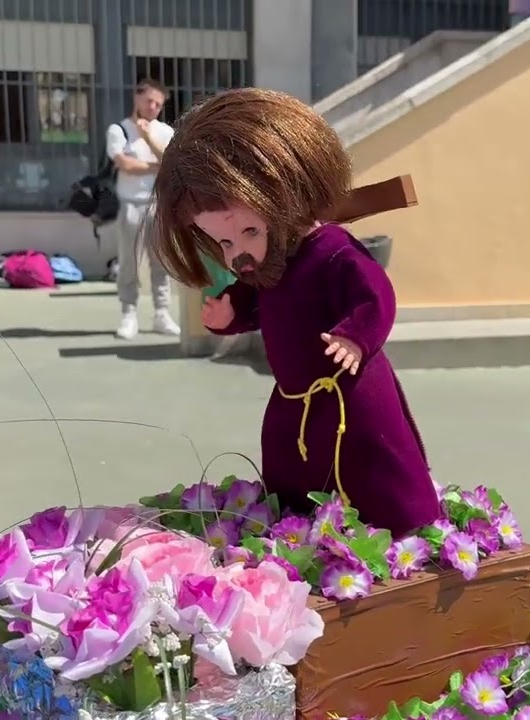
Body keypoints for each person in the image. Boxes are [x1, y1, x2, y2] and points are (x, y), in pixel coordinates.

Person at [148, 88, 442, 535]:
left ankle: (402, 533)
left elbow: (374, 294)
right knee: (290, 465)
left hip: (349, 394)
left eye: (249, 230)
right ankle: (298, 529)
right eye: (225, 242)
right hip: (292, 396)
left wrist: (355, 337)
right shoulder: (270, 263)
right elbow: (259, 300)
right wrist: (231, 316)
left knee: (371, 466)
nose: (239, 252)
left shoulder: (333, 252)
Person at [106, 78, 180, 340]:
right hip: (130, 205)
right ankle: (128, 313)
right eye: (149, 101)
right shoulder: (119, 130)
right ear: (137, 98)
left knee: (161, 262)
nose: (152, 107)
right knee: (128, 262)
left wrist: (148, 137)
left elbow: (169, 161)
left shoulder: (164, 132)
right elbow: (124, 165)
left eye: (158, 104)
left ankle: (162, 313)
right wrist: (153, 166)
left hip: (158, 205)